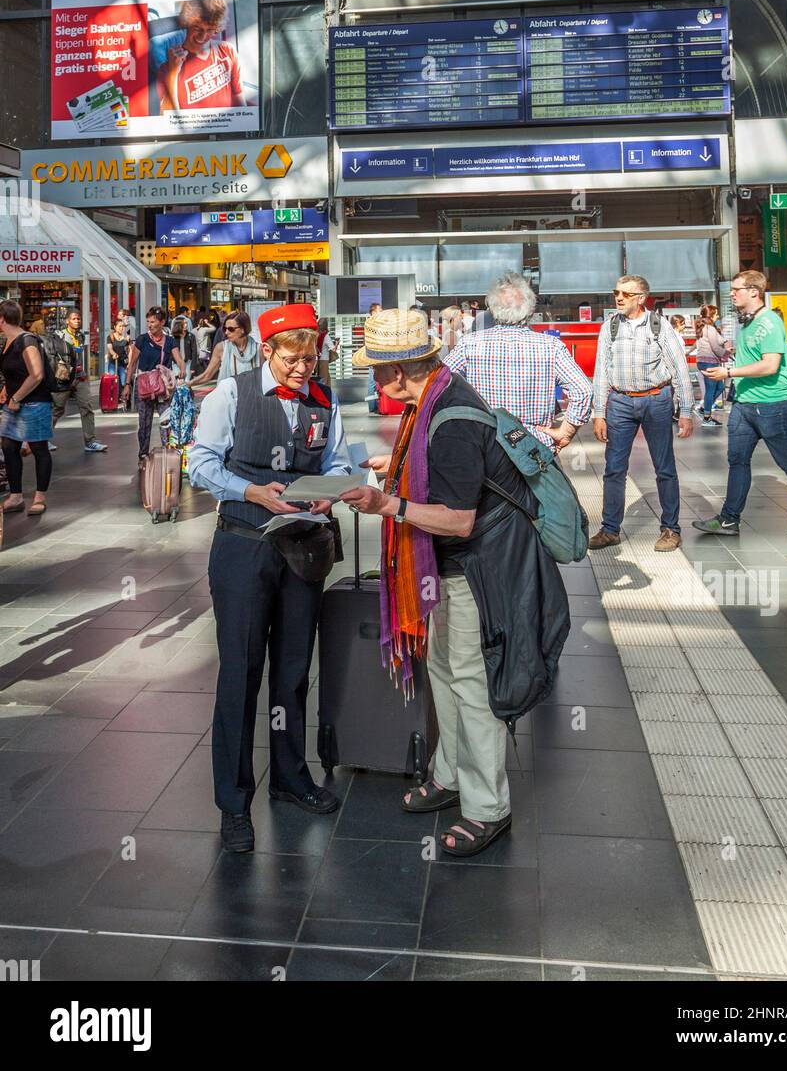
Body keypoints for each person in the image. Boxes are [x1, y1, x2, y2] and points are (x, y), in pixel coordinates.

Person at [343, 307, 570, 859]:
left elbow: (458, 518)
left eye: (377, 370)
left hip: (473, 569)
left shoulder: (452, 419)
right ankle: (449, 775)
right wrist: (393, 469)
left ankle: (488, 807)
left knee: (472, 686)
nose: (373, 380)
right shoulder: (437, 401)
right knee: (444, 674)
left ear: (400, 371)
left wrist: (387, 503)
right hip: (448, 571)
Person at [187, 303, 352, 854]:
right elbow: (201, 463)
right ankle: (234, 803)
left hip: (301, 551)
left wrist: (333, 491)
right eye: (293, 358)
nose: (304, 369)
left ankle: (289, 777)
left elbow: (337, 461)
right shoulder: (229, 395)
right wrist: (249, 491)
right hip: (243, 548)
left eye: (311, 357)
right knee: (239, 674)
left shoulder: (324, 401)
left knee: (291, 672)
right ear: (267, 351)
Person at [693, 270, 787, 539]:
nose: (732, 293)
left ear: (754, 291)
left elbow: (770, 365)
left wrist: (729, 373)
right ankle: (729, 519)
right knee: (738, 461)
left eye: (737, 288)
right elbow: (752, 358)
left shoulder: (770, 323)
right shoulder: (748, 323)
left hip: (772, 405)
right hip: (744, 404)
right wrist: (734, 362)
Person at [590, 275, 695, 553]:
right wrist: (598, 412)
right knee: (614, 468)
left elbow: (679, 369)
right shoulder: (609, 327)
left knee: (664, 467)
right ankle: (610, 529)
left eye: (625, 293)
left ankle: (671, 529)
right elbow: (602, 371)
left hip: (656, 401)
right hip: (620, 402)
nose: (619, 297)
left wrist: (685, 410)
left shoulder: (660, 327)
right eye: (616, 292)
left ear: (641, 298)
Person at [444, 273, 592, 449]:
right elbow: (583, 391)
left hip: (486, 445)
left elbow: (439, 383)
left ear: (492, 308)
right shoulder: (550, 346)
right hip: (535, 447)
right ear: (530, 309)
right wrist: (565, 432)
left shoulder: (469, 344)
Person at [0, 299, 52, 516]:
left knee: (39, 448)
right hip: (15, 403)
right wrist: (7, 390)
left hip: (34, 403)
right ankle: (16, 496)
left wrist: (16, 398)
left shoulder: (26, 340)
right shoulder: (9, 341)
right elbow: (15, 372)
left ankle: (40, 497)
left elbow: (37, 374)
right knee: (9, 446)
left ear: (2, 319)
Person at [156, 0, 247, 114]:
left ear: (217, 29)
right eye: (197, 28)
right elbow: (167, 119)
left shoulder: (227, 51)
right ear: (187, 24)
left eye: (210, 30)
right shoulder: (168, 67)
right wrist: (173, 72)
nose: (202, 36)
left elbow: (241, 104)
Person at [124, 307, 185, 467]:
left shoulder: (170, 341)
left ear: (162, 322)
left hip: (162, 388)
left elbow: (178, 358)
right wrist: (127, 384)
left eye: (153, 322)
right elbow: (132, 363)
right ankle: (142, 454)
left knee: (166, 422)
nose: (149, 325)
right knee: (144, 423)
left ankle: (168, 453)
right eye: (148, 322)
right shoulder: (142, 339)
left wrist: (182, 368)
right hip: (144, 387)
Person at [48, 310, 107, 454]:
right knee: (57, 409)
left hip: (80, 376)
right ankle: (44, 440)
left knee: (86, 407)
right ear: (67, 321)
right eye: (74, 319)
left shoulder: (80, 336)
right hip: (65, 377)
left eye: (79, 319)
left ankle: (90, 441)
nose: (77, 321)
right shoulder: (60, 336)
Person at [190, 310, 260, 387]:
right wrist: (188, 383)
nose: (226, 332)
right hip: (228, 396)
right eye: (225, 329)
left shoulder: (258, 349)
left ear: (243, 329)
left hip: (252, 396)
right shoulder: (221, 348)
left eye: (231, 329)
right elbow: (207, 375)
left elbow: (264, 377)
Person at [695, 310, 731, 427]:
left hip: (705, 361)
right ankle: (706, 418)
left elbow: (716, 342)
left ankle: (703, 408)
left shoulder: (707, 328)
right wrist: (726, 354)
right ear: (711, 315)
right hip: (709, 362)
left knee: (720, 387)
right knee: (711, 389)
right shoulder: (709, 328)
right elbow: (715, 346)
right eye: (716, 313)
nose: (718, 315)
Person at [364, 302, 382, 415]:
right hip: (374, 353)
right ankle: (373, 406)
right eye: (380, 309)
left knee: (374, 379)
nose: (382, 311)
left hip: (373, 353)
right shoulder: (373, 323)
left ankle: (374, 405)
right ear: (374, 311)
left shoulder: (369, 323)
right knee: (372, 380)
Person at [106, 318, 131, 389]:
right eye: (119, 326)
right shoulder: (111, 337)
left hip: (123, 363)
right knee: (112, 380)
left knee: (123, 382)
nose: (122, 328)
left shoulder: (127, 338)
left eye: (123, 326)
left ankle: (123, 396)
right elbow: (110, 348)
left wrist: (129, 362)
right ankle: (112, 397)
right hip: (113, 362)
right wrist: (114, 354)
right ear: (115, 327)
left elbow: (130, 350)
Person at [316, 318, 339, 384]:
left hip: (316, 360)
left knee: (326, 379)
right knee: (324, 380)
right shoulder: (326, 336)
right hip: (324, 360)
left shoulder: (315, 335)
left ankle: (329, 393)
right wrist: (337, 343)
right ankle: (324, 393)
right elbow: (333, 349)